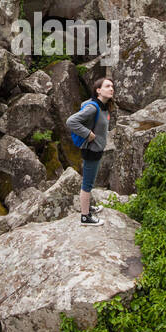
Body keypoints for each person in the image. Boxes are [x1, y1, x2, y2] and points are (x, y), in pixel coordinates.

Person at [66, 76, 115, 226]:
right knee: (87, 184)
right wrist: (87, 134)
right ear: (98, 90)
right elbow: (71, 121)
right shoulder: (93, 107)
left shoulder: (103, 107)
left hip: (96, 149)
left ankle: (87, 207)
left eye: (112, 86)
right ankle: (85, 216)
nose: (111, 88)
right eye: (107, 86)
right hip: (91, 150)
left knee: (90, 181)